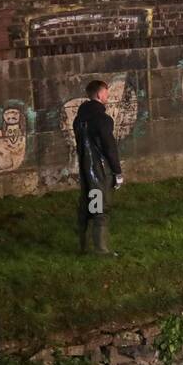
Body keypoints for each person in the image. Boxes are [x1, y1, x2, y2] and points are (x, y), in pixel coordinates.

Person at [74, 79, 123, 256]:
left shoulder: (79, 119)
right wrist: (117, 171)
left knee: (87, 206)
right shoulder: (103, 119)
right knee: (100, 208)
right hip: (100, 171)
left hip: (85, 170)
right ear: (100, 94)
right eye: (106, 92)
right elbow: (109, 147)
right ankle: (100, 249)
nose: (108, 96)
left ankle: (84, 246)